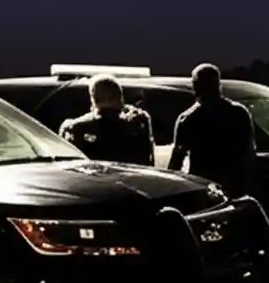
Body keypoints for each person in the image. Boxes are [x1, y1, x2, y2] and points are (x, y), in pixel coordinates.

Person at [168, 63, 257, 197]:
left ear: (195, 87)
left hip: (202, 188)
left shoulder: (187, 119)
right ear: (219, 85)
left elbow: (176, 162)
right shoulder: (238, 113)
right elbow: (249, 152)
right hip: (234, 186)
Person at [58, 74, 154, 166]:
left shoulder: (76, 128)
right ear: (120, 98)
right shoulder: (138, 124)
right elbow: (148, 161)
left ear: (93, 100)